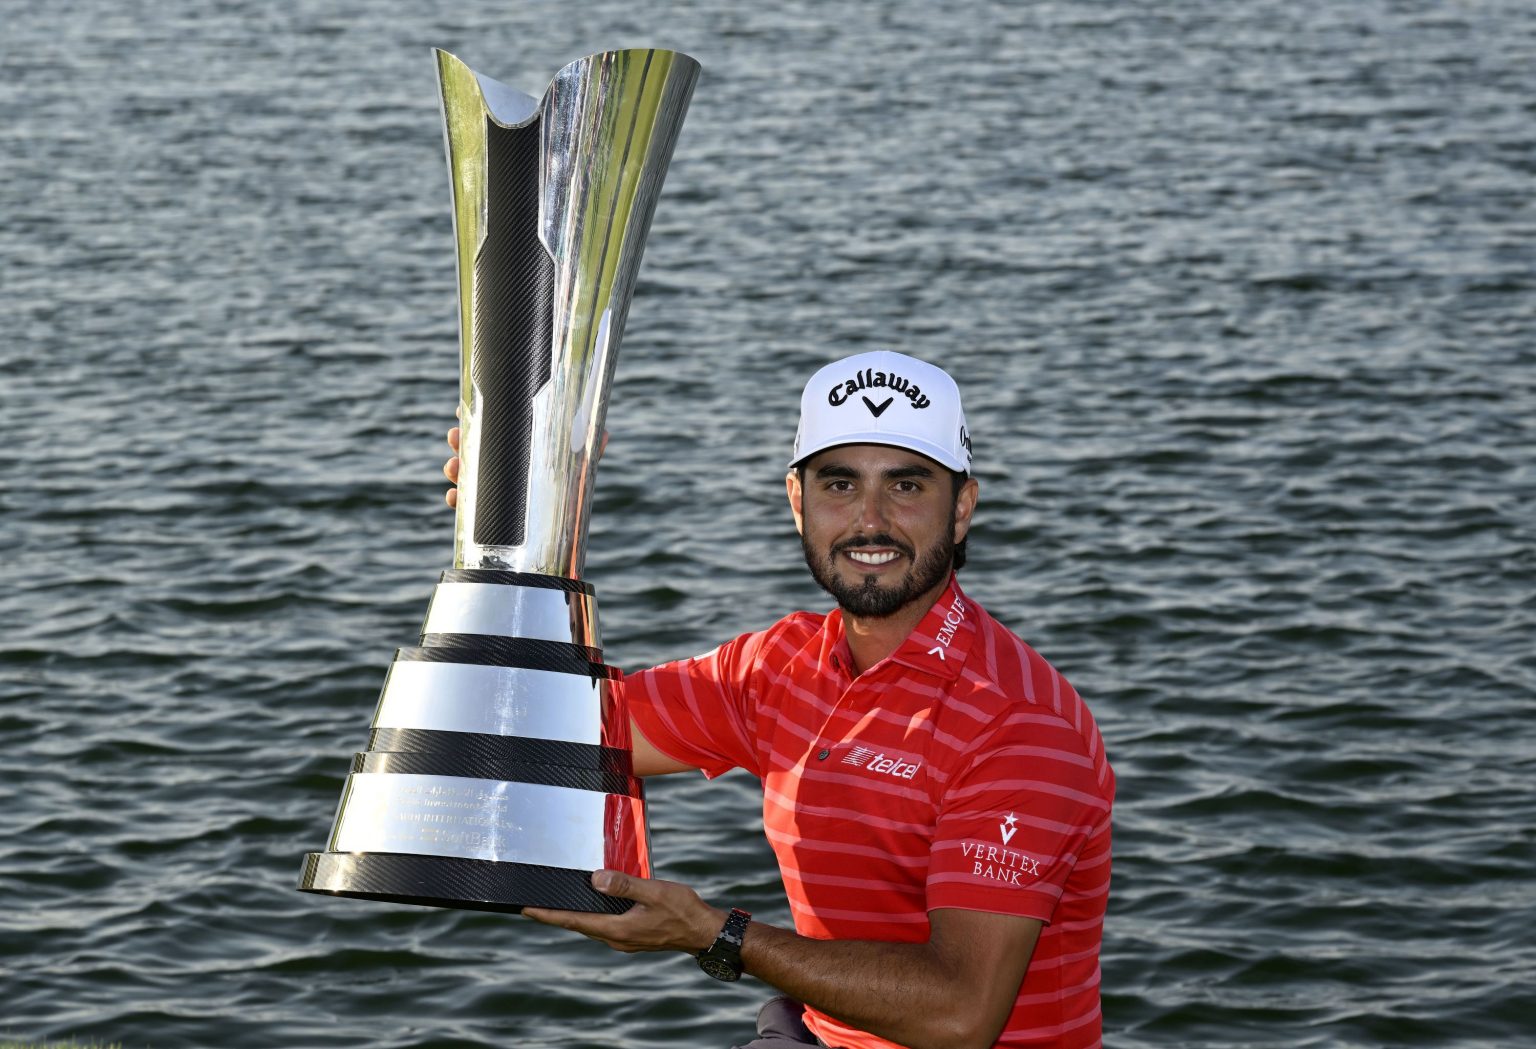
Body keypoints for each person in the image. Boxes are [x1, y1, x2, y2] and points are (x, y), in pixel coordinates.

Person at [443, 350, 1114, 1049]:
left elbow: (961, 1013)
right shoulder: (780, 668)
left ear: (963, 507)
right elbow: (535, 733)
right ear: (798, 502)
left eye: (907, 485)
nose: (871, 520)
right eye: (840, 484)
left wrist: (717, 934)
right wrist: (513, 535)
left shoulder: (1020, 722)